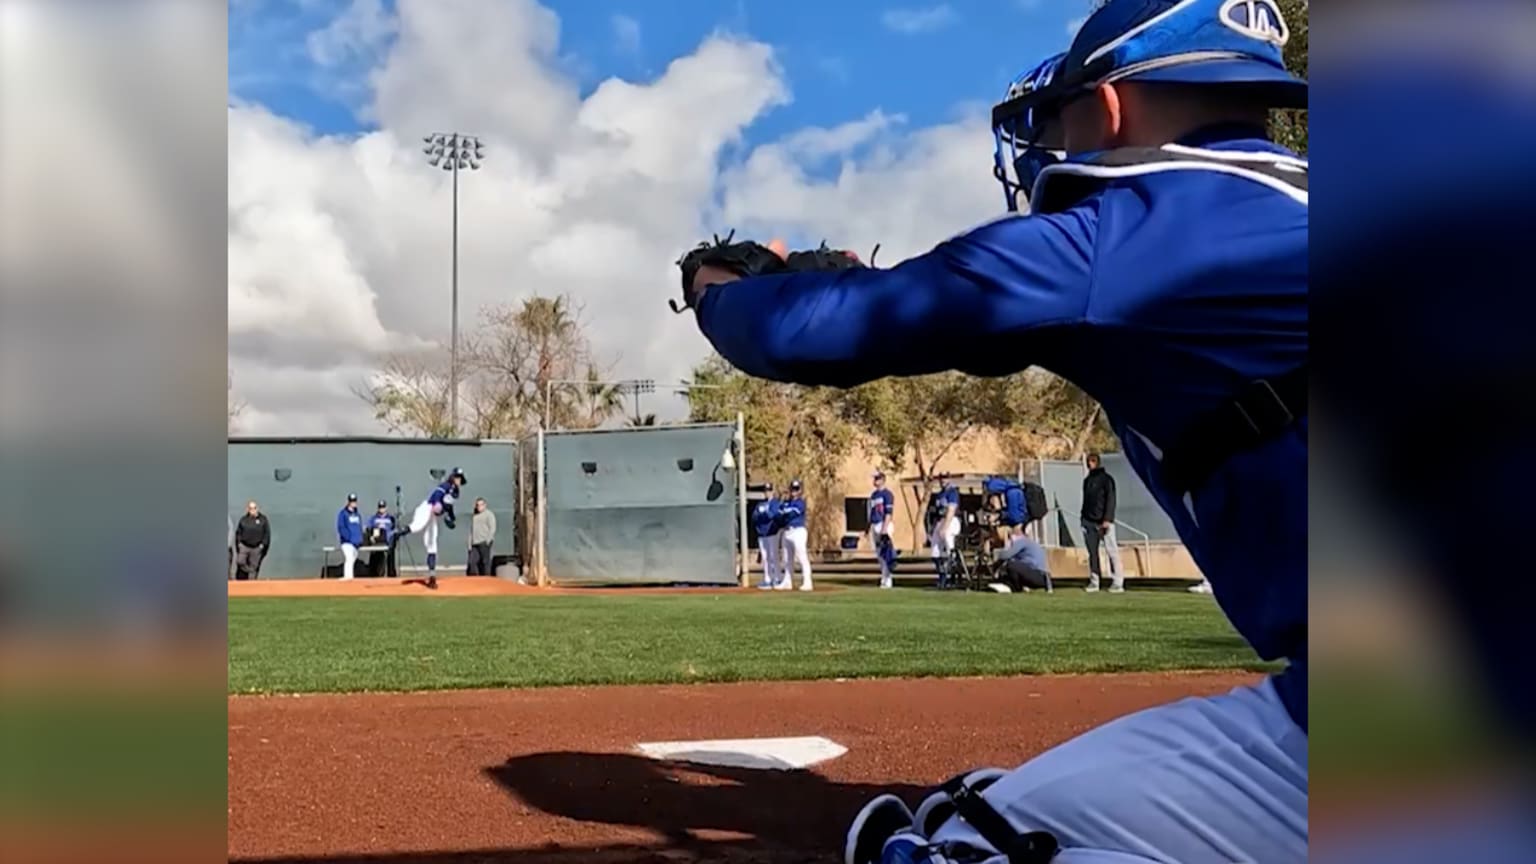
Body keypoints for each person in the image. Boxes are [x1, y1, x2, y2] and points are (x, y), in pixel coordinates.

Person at [685, 1, 1307, 860]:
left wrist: (718, 289)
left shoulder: (1121, 235)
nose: (1052, 140)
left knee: (963, 836)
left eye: (1061, 115)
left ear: (1114, 104)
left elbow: (809, 331)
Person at [398, 467, 467, 590]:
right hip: (427, 507)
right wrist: (437, 503)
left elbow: (449, 506)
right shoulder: (446, 485)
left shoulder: (455, 492)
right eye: (456, 477)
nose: (458, 480)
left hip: (433, 515)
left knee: (432, 544)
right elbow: (436, 495)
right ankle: (397, 533)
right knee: (417, 526)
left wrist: (452, 518)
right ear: (452, 477)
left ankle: (432, 577)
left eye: (460, 478)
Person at [1080, 453, 1124, 594]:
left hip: (1103, 522)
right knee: (1092, 553)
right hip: (1088, 521)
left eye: (1092, 461)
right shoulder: (1087, 481)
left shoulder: (1107, 480)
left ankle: (1118, 582)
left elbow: (1111, 500)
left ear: (1097, 462)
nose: (1089, 464)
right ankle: (1094, 581)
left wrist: (1107, 519)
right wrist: (1083, 517)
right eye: (1088, 461)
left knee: (1112, 552)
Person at [990, 524, 1052, 594]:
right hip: (1043, 578)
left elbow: (1006, 555)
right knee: (1013, 564)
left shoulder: (1022, 542)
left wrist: (1004, 544)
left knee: (1011, 565)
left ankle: (1015, 588)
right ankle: (1018, 586)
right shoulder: (1032, 544)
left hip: (1036, 575)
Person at [927, 474, 960, 589]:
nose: (943, 480)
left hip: (951, 521)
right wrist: (934, 527)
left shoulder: (952, 492)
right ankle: (942, 577)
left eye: (945, 478)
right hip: (940, 521)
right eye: (941, 478)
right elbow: (936, 512)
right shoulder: (939, 494)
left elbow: (951, 510)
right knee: (935, 551)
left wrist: (944, 527)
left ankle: (951, 577)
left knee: (949, 546)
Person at [778, 480, 812, 592]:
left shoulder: (800, 503)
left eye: (796, 489)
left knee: (801, 557)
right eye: (793, 489)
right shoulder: (787, 502)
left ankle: (807, 582)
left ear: (800, 490)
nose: (794, 492)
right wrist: (784, 511)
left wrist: (785, 511)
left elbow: (792, 513)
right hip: (787, 531)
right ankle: (787, 581)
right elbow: (780, 513)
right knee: (787, 559)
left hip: (798, 531)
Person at [751, 482, 783, 590]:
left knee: (774, 556)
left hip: (772, 532)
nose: (767, 493)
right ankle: (767, 579)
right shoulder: (761, 504)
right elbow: (755, 517)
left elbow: (772, 515)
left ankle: (777, 577)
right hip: (762, 533)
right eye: (765, 491)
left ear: (772, 491)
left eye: (769, 491)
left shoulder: (775, 503)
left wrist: (764, 513)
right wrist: (761, 514)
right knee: (765, 558)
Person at [869, 471, 897, 589]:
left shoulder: (887, 494)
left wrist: (884, 529)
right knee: (879, 554)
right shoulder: (873, 495)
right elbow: (872, 512)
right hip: (875, 524)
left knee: (886, 553)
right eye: (874, 478)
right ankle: (883, 577)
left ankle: (888, 578)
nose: (875, 481)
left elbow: (888, 513)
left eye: (877, 478)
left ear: (882, 480)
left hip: (884, 524)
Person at [233, 499, 270, 581]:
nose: (253, 510)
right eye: (251, 508)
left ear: (257, 509)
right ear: (248, 509)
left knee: (254, 567)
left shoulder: (263, 519)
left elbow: (266, 533)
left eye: (254, 508)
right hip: (244, 546)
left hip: (256, 547)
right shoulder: (243, 519)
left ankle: (252, 586)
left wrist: (262, 545)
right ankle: (249, 570)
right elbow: (238, 532)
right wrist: (239, 543)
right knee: (240, 561)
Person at [365, 499, 397, 578]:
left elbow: (394, 529)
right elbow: (368, 528)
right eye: (380, 507)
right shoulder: (374, 518)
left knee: (390, 560)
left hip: (388, 542)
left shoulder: (390, 518)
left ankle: (391, 574)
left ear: (386, 508)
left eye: (383, 507)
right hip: (377, 543)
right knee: (376, 560)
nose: (381, 509)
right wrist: (371, 536)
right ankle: (374, 574)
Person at [335, 493, 364, 581]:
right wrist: (348, 537)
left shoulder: (357, 515)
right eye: (351, 501)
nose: (353, 503)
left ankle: (350, 577)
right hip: (347, 542)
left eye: (354, 501)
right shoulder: (343, 514)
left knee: (353, 557)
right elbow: (341, 527)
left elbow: (359, 527)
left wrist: (359, 539)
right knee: (349, 558)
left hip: (355, 542)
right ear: (348, 502)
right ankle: (348, 576)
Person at [467, 498, 496, 576]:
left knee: (485, 562)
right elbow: (471, 531)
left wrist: (488, 540)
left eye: (481, 504)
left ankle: (487, 579)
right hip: (475, 544)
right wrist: (469, 544)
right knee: (472, 562)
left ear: (485, 505)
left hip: (484, 542)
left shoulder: (489, 514)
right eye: (477, 505)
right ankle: (475, 581)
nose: (479, 506)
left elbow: (492, 528)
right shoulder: (475, 516)